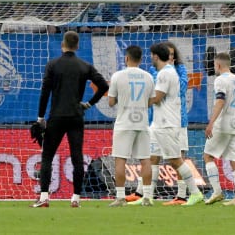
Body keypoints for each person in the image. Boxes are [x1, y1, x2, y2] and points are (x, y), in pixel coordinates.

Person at [33, 30, 109, 208]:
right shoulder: (84, 66)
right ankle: (76, 198)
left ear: (62, 45)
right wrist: (89, 104)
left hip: (57, 116)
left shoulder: (53, 65)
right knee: (77, 157)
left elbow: (45, 92)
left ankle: (44, 197)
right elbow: (104, 85)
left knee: (47, 156)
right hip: (76, 116)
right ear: (77, 46)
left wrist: (40, 117)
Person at [148, 42, 203, 206]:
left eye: (152, 56)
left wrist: (138, 102)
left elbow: (157, 98)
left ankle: (194, 192)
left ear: (156, 56)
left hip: (167, 122)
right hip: (158, 123)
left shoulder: (166, 74)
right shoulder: (165, 72)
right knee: (150, 157)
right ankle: (146, 196)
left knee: (175, 160)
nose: (151, 58)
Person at [109, 44, 156, 206]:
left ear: (126, 58)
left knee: (120, 160)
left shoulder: (118, 76)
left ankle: (120, 197)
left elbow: (110, 101)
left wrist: (120, 99)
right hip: (142, 122)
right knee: (145, 160)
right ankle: (148, 198)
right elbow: (151, 101)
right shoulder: (148, 77)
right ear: (141, 59)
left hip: (124, 123)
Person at [202, 50, 235, 206]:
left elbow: (220, 101)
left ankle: (217, 191)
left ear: (218, 64)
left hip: (223, 124)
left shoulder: (220, 80)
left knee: (208, 156)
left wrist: (211, 123)